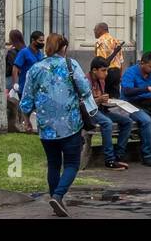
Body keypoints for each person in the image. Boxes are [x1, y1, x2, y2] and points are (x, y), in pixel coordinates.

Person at [19, 33, 97, 217]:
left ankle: (56, 200)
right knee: (71, 163)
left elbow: (26, 99)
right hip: (70, 123)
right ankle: (58, 195)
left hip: (46, 125)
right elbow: (85, 90)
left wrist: (26, 119)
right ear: (64, 48)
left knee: (53, 163)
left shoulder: (35, 69)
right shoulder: (71, 65)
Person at [88, 56, 132, 169]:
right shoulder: (86, 81)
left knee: (127, 121)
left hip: (102, 109)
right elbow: (84, 103)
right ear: (94, 70)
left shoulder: (101, 81)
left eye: (106, 70)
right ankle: (109, 159)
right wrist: (98, 100)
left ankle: (119, 155)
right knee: (106, 123)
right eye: (103, 70)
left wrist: (107, 101)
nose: (106, 73)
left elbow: (100, 99)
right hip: (90, 112)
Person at [93, 22, 126, 97]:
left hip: (106, 73)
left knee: (104, 97)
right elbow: (121, 61)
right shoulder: (116, 41)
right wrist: (120, 75)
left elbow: (100, 62)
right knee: (115, 98)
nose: (94, 32)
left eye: (95, 30)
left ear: (100, 29)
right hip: (117, 72)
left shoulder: (100, 41)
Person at [12, 30, 45, 99]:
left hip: (37, 88)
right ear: (33, 40)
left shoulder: (40, 54)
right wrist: (15, 83)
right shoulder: (24, 52)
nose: (42, 43)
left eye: (43, 41)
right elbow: (15, 68)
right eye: (40, 41)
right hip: (24, 87)